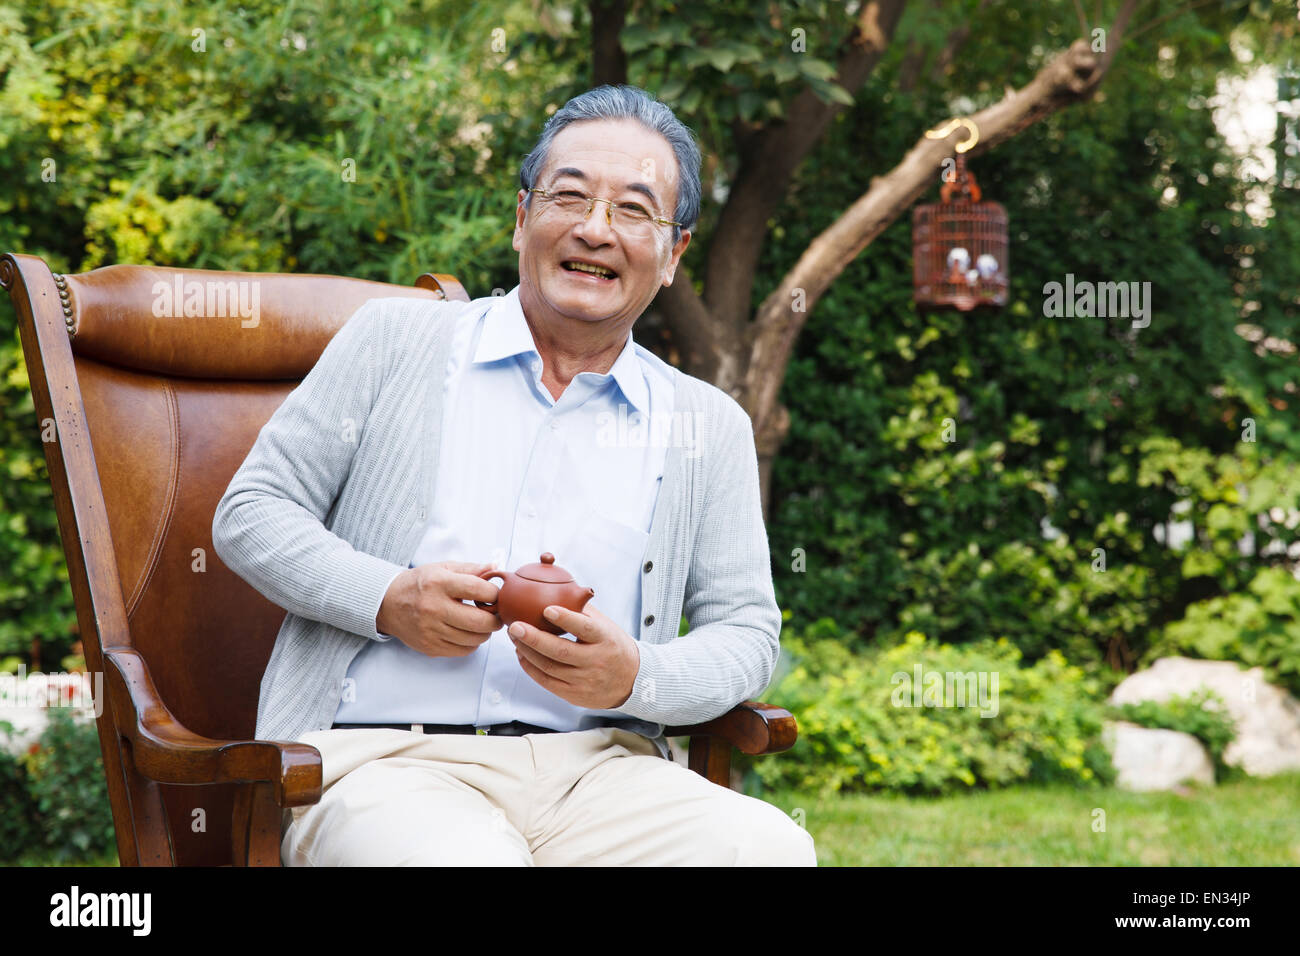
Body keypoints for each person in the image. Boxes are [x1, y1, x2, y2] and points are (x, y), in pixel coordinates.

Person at [212, 84, 816, 866]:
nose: (596, 230)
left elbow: (746, 632)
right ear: (522, 217)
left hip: (603, 774)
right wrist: (388, 600)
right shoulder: (395, 343)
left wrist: (636, 677)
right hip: (386, 764)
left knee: (766, 849)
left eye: (635, 211)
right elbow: (252, 512)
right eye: (569, 197)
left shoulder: (707, 424)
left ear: (673, 256)